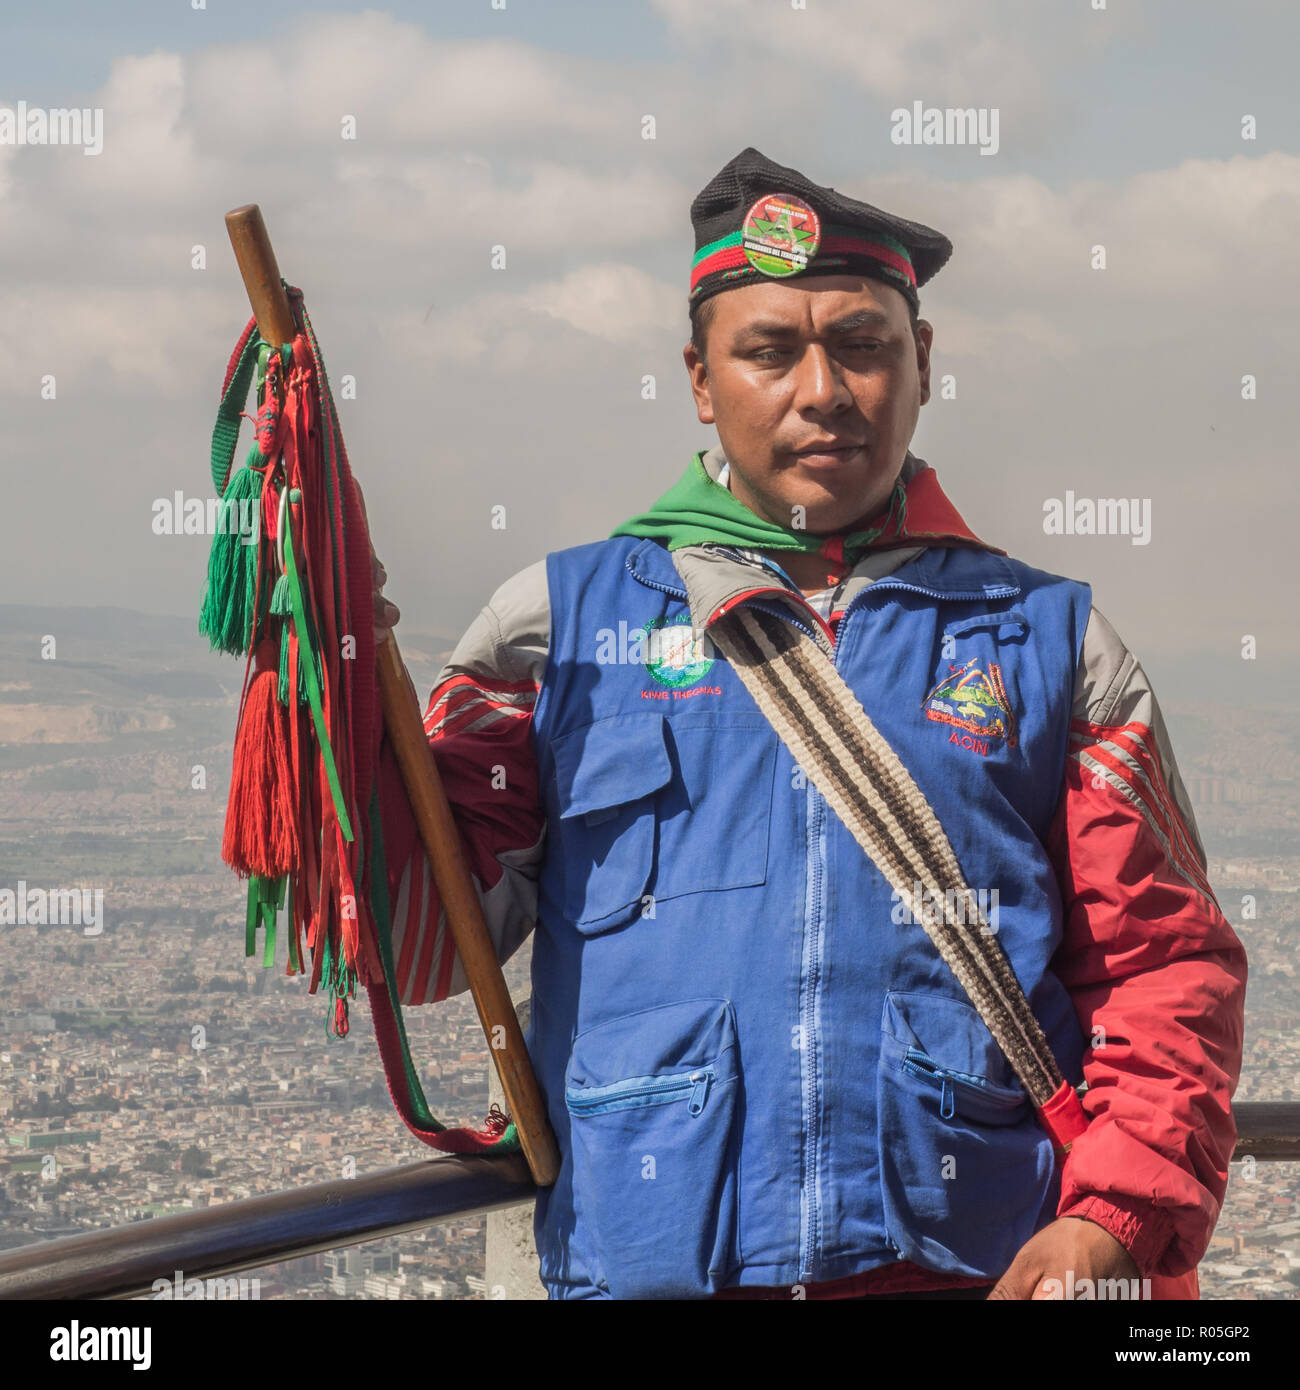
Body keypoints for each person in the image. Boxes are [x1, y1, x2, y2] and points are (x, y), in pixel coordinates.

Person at [370, 147, 1246, 1301]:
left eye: (864, 346)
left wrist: (1114, 1217)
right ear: (698, 377)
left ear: (922, 363)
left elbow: (1162, 965)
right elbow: (424, 944)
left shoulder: (1053, 644)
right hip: (652, 1269)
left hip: (969, 1272)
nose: (823, 390)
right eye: (770, 350)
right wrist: (333, 725)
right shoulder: (552, 632)